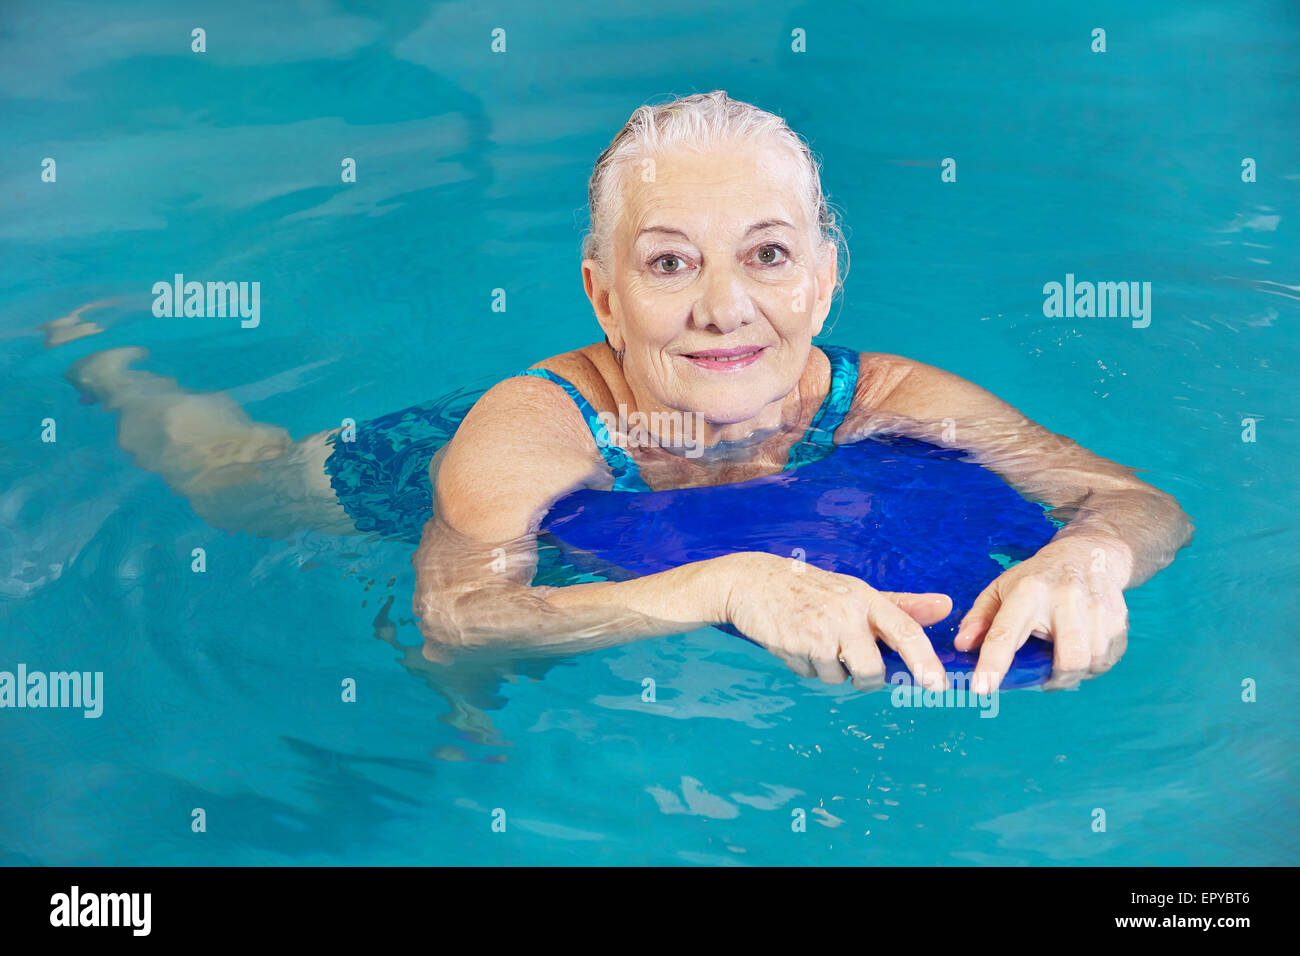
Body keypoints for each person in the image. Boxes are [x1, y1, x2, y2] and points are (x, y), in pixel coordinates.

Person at [66, 91, 1193, 694]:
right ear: (602, 297)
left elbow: (1139, 504)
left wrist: (1085, 556)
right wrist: (727, 584)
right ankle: (106, 361)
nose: (722, 308)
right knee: (238, 484)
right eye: (667, 263)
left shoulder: (890, 396)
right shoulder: (520, 430)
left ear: (825, 273)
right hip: (468, 466)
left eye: (766, 254)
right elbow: (457, 619)